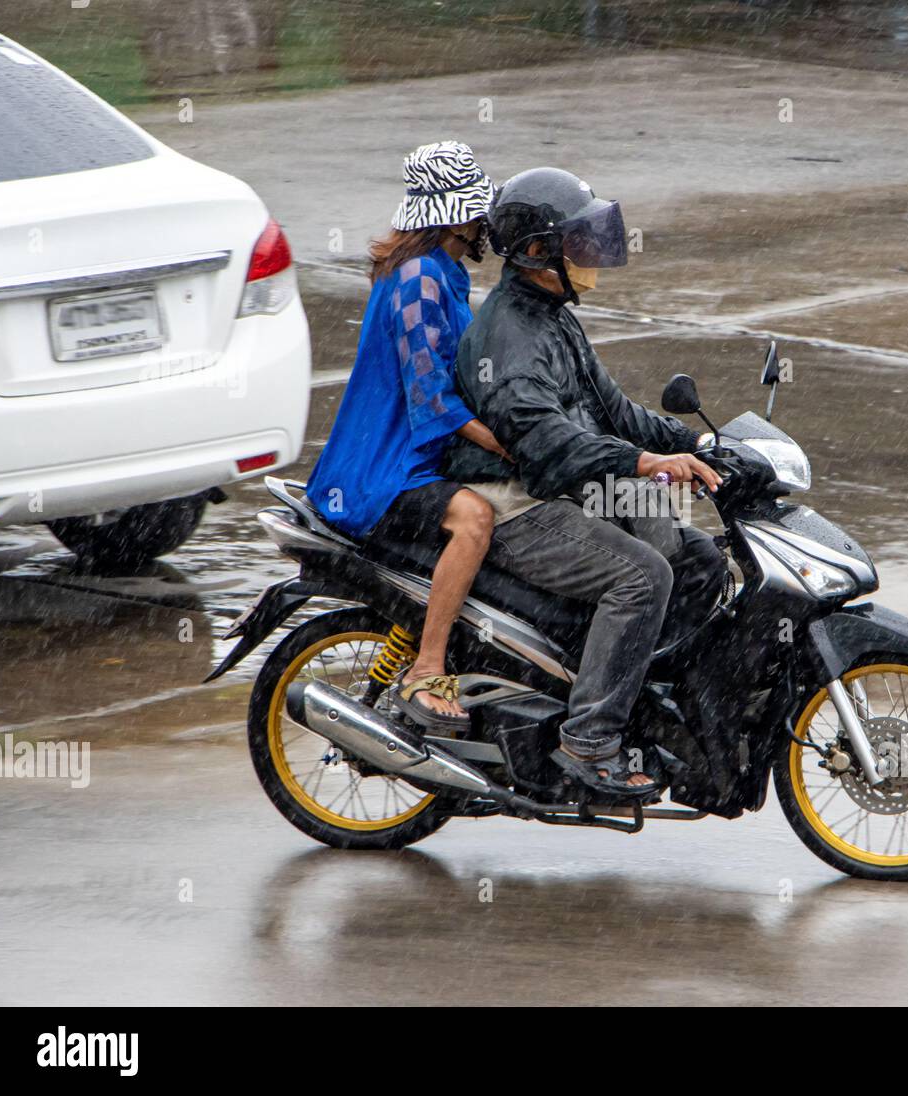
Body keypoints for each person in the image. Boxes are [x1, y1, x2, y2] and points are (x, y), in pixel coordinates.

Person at [443, 167, 727, 799]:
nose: (592, 252)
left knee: (698, 558)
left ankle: (642, 700)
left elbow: (615, 413)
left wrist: (701, 444)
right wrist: (646, 465)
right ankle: (588, 741)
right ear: (539, 251)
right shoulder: (511, 339)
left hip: (561, 484)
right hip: (517, 503)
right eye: (577, 239)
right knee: (643, 574)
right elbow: (543, 446)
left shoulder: (553, 313)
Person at [305, 141, 508, 729]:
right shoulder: (419, 279)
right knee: (474, 520)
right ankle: (427, 665)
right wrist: (501, 442)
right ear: (453, 217)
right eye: (475, 214)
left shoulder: (437, 272)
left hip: (415, 457)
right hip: (385, 470)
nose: (482, 226)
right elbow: (431, 396)